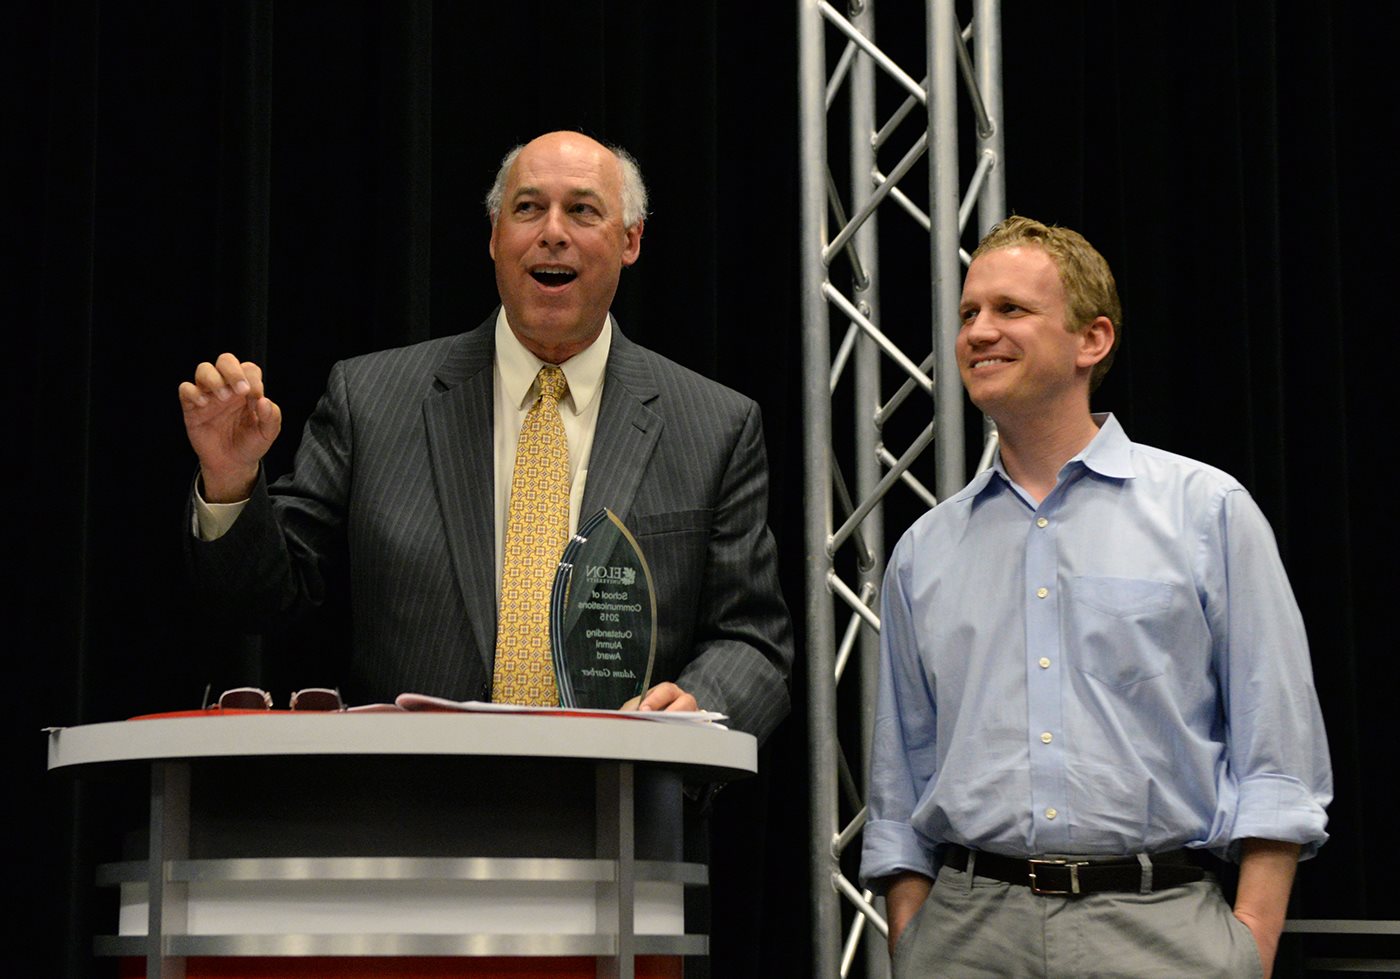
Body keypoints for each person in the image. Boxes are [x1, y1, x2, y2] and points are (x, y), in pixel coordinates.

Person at [177, 130, 792, 743]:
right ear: (496, 235)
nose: (553, 231)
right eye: (528, 208)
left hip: (619, 785)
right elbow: (260, 601)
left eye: (582, 210)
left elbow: (753, 643)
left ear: (631, 240)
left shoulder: (714, 426)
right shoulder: (371, 400)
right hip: (414, 789)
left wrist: (697, 710)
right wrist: (230, 479)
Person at [860, 216, 1331, 977]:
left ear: (1093, 340)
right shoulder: (926, 550)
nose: (979, 331)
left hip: (1162, 928)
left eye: (1011, 309)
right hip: (967, 933)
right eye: (969, 312)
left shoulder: (1207, 512)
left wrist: (1249, 944)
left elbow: (1280, 754)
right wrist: (913, 939)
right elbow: (898, 781)